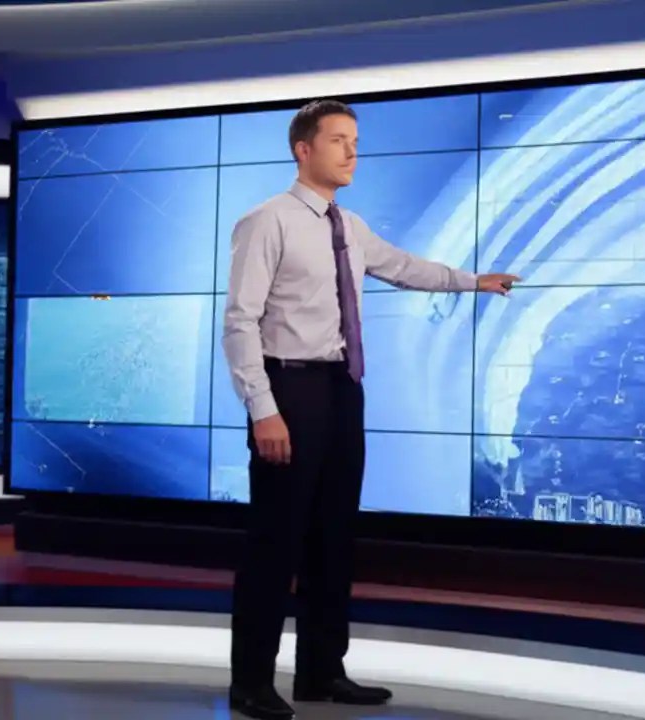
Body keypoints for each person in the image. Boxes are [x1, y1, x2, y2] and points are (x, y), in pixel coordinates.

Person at [221, 98, 519, 720]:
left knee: (333, 538)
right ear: (303, 150)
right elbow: (240, 322)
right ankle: (250, 683)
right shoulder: (266, 221)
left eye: (355, 139)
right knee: (277, 542)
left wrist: (475, 281)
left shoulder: (348, 226)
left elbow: (404, 268)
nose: (353, 151)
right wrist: (263, 409)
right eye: (339, 140)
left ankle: (322, 673)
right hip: (290, 390)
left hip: (342, 389)